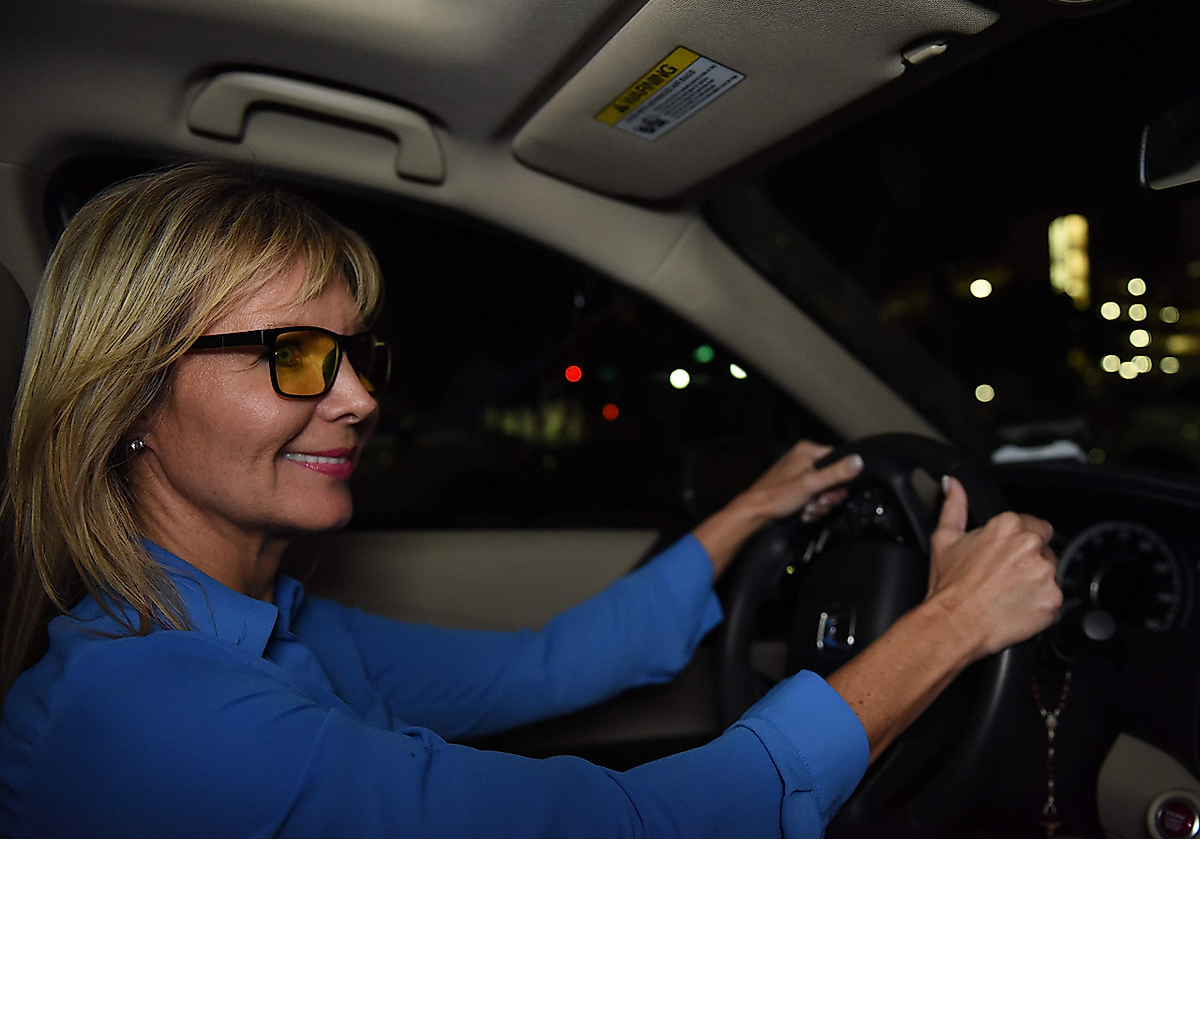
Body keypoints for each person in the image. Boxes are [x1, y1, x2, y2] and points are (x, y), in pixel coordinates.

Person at [0, 163, 1062, 837]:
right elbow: (643, 838)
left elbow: (542, 666)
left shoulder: (268, 628)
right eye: (295, 356)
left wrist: (747, 511)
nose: (361, 399)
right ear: (128, 398)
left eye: (358, 356)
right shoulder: (159, 717)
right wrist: (954, 622)